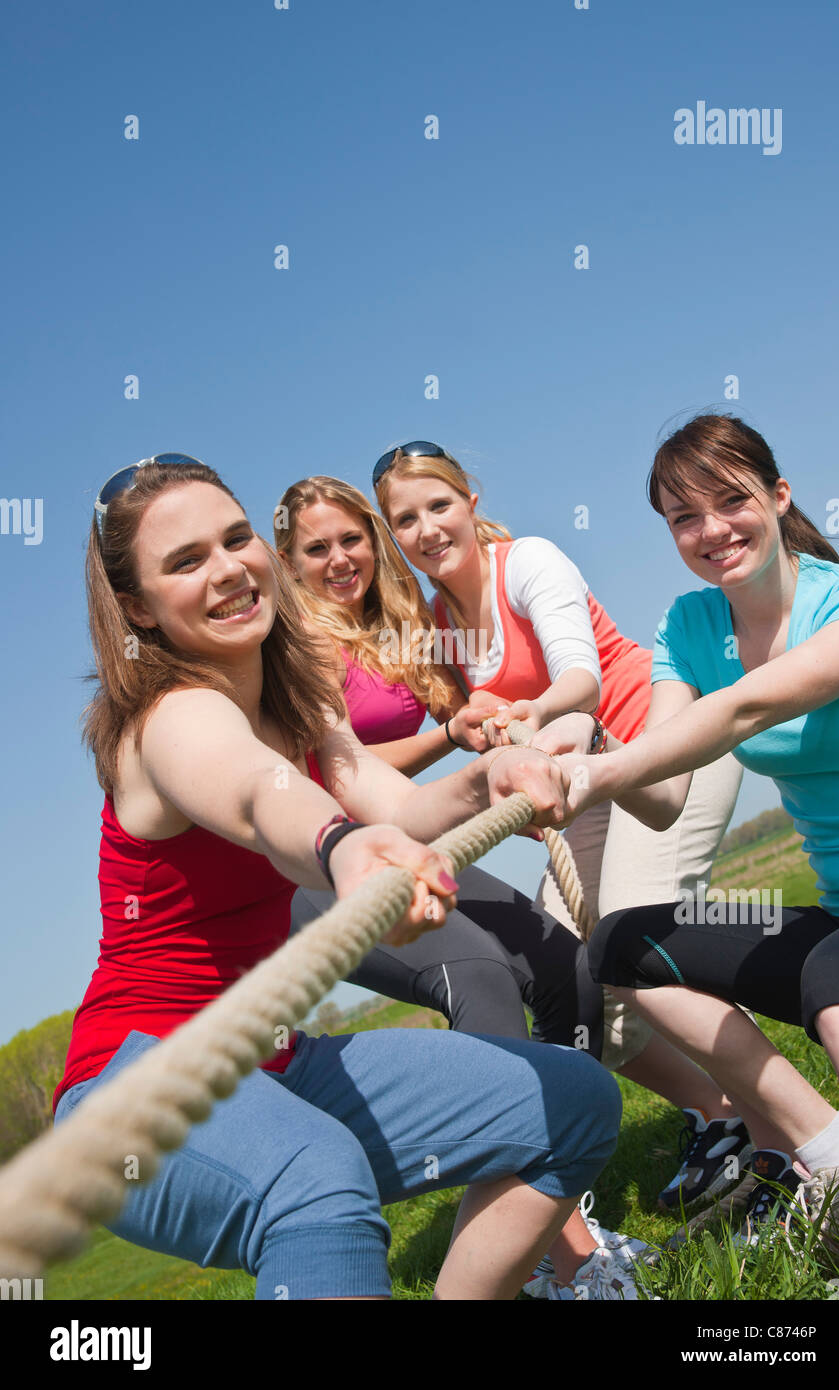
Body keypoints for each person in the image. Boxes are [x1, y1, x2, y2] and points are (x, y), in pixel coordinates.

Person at [52, 453, 622, 1301]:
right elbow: (258, 795)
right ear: (137, 607)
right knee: (317, 1184)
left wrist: (486, 777)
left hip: (279, 1065)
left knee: (573, 1101)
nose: (229, 569)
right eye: (186, 561)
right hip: (134, 1083)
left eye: (236, 539)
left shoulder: (301, 703)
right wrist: (341, 848)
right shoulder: (168, 720)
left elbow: (388, 798)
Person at [274, 474, 641, 1298]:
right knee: (479, 976)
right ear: (289, 564)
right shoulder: (297, 644)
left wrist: (495, 728)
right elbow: (346, 768)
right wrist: (449, 733)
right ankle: (566, 1257)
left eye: (352, 539)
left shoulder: (403, 628)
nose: (339, 558)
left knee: (563, 967)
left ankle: (543, 1192)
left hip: (408, 839)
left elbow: (470, 703)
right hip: (318, 866)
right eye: (316, 549)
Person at [373, 441, 750, 1224]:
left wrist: (532, 715)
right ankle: (722, 1115)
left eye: (438, 505)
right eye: (404, 520)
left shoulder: (529, 562)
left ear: (469, 501)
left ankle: (789, 1136)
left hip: (658, 753)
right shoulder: (440, 624)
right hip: (582, 793)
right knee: (575, 978)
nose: (427, 528)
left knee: (636, 947)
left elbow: (580, 676)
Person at [554, 412, 839, 1247]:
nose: (711, 530)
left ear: (779, 494)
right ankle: (832, 1151)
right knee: (619, 947)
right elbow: (663, 790)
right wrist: (580, 752)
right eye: (684, 517)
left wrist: (598, 768)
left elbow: (750, 706)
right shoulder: (689, 628)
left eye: (732, 500)